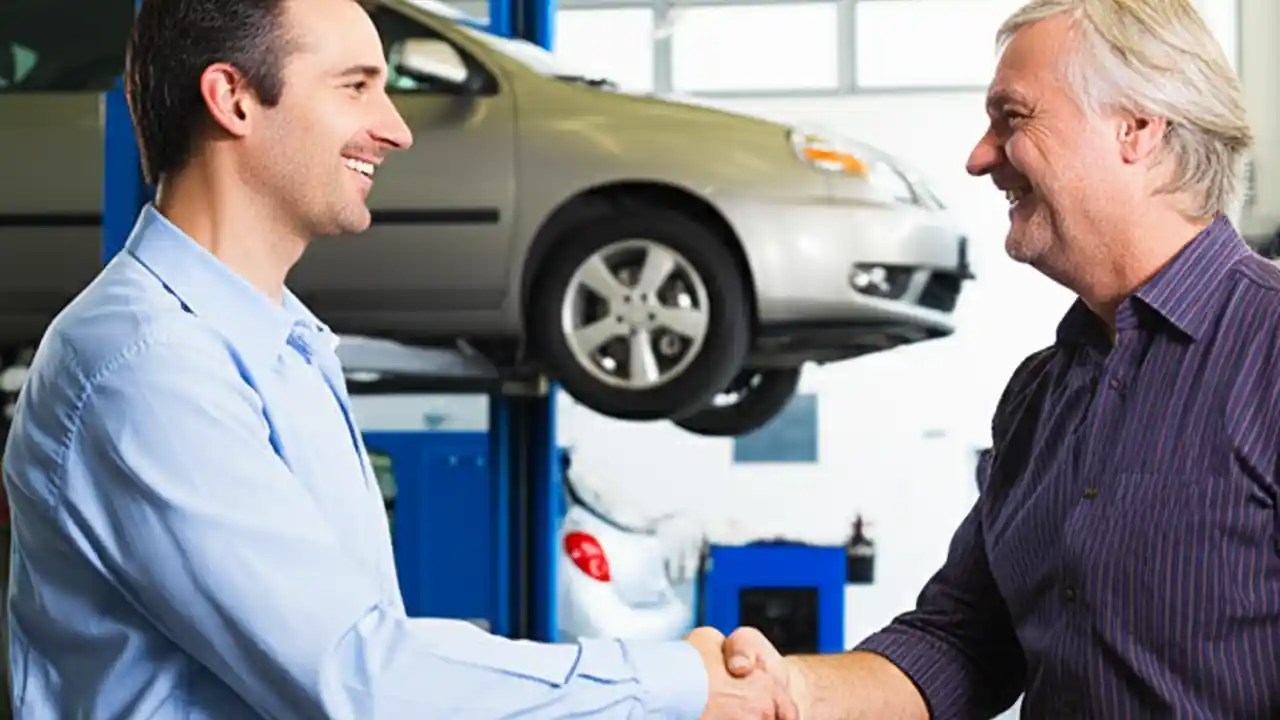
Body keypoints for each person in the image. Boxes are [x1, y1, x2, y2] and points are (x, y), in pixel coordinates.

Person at [0, 0, 795, 717]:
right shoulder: (145, 364)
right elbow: (359, 681)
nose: (397, 127)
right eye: (356, 87)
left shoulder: (283, 347)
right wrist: (677, 682)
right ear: (232, 98)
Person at [713, 0, 1280, 718]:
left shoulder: (1269, 352)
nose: (980, 157)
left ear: (1136, 128)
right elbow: (965, 641)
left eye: (1013, 117)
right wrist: (790, 690)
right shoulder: (1041, 393)